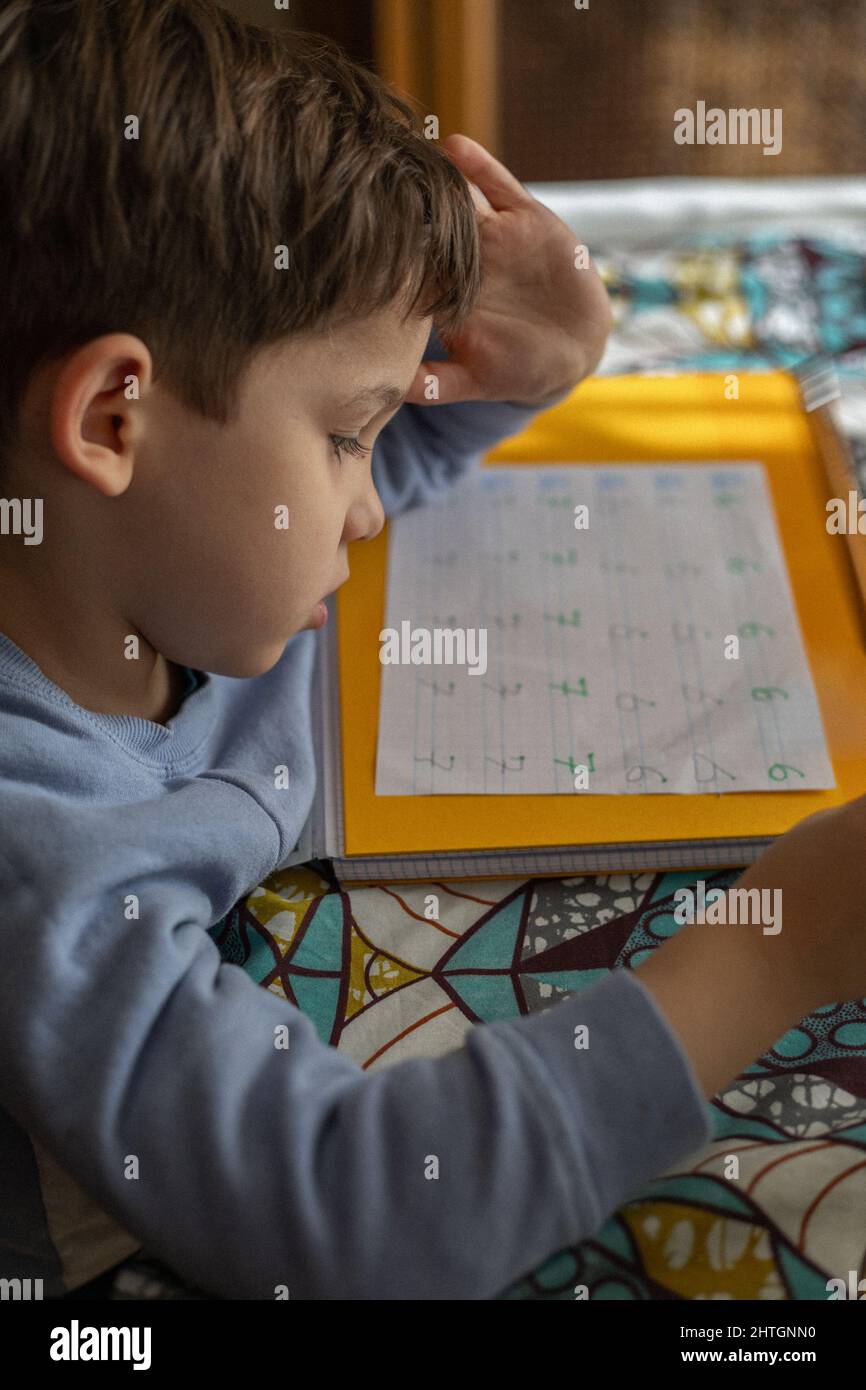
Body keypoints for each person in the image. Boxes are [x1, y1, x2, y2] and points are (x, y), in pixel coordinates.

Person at [0, 0, 863, 1301]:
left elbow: (266, 480)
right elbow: (356, 1217)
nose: (367, 495)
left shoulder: (129, 556)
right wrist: (781, 941)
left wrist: (533, 365)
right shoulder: (46, 851)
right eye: (351, 431)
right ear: (113, 418)